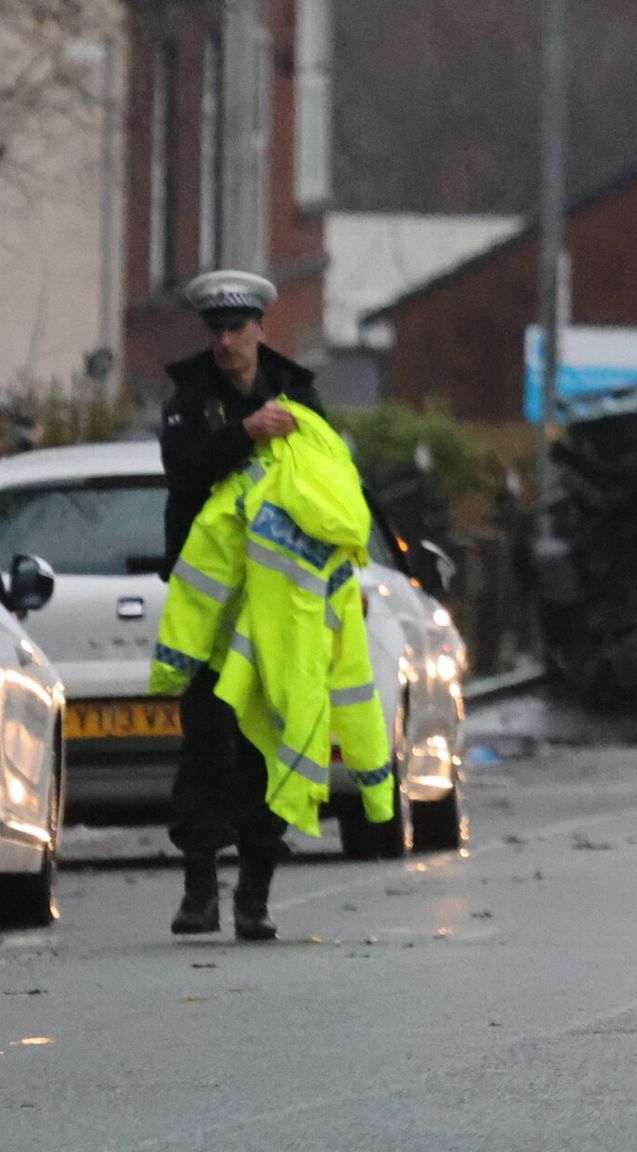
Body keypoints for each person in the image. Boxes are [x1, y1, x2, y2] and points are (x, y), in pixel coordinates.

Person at [159, 270, 324, 941]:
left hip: (276, 600)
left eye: (238, 328)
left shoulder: (298, 391)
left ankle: (255, 891)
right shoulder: (188, 399)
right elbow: (184, 468)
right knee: (205, 743)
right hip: (209, 604)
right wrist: (245, 433)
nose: (226, 341)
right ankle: (200, 887)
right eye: (217, 330)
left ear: (260, 328)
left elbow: (322, 478)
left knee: (265, 744)